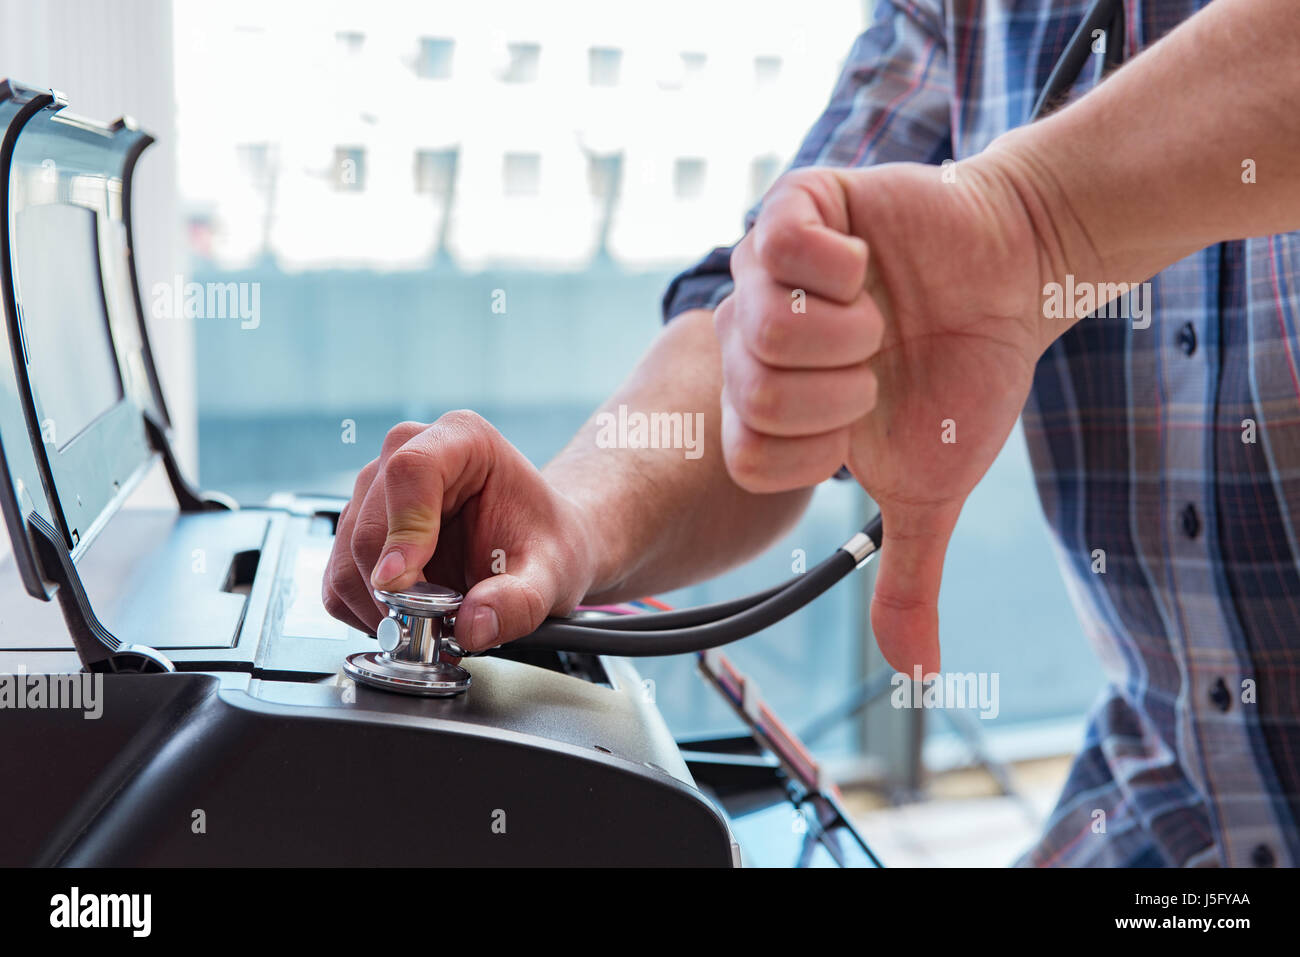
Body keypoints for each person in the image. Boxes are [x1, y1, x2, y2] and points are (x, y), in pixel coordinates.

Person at [324, 0, 1300, 866]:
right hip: (1163, 816)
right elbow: (768, 325)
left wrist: (1032, 224)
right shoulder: (958, 16)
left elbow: (996, 232)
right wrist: (571, 522)